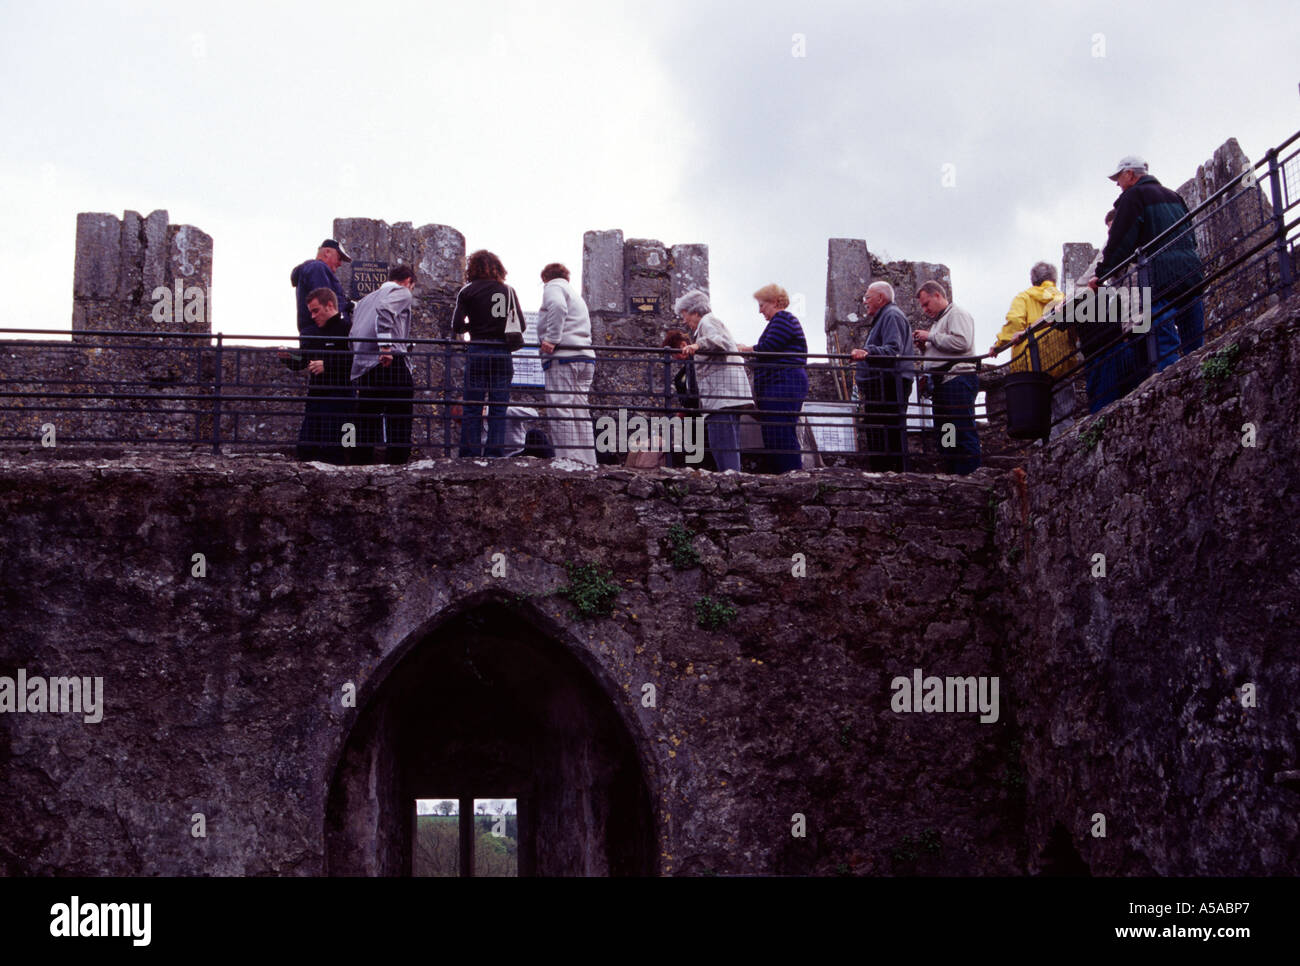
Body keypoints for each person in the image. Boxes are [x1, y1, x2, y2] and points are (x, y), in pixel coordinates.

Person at [1090, 155, 1205, 371]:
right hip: (1191, 271)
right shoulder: (1175, 197)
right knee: (1195, 338)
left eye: (1118, 178)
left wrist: (1102, 273)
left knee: (1164, 341)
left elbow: (1120, 242)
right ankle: (1201, 373)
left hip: (1159, 275)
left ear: (1130, 174)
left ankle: (1173, 382)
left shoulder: (1133, 197)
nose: (1117, 184)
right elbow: (1192, 236)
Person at [450, 250, 522, 458]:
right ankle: (494, 455)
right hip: (501, 351)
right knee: (498, 408)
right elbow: (521, 325)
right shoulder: (507, 291)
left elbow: (456, 325)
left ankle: (469, 455)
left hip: (477, 350)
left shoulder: (467, 292)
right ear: (497, 268)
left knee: (473, 407)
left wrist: (474, 326)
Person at [990, 263, 1074, 437]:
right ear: (1054, 279)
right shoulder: (1064, 298)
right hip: (1062, 362)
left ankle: (1045, 454)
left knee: (1039, 417)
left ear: (1033, 280)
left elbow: (1014, 324)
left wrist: (998, 345)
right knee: (1064, 414)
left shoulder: (1024, 298)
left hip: (1034, 366)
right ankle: (1067, 448)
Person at [675, 290, 753, 473]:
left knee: (722, 445)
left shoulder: (707, 321)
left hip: (721, 397)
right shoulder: (709, 323)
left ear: (695, 312)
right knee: (728, 445)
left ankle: (731, 485)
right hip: (726, 396)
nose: (684, 321)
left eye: (684, 315)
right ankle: (734, 482)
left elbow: (719, 341)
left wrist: (697, 345)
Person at [278, 287, 355, 464]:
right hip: (317, 399)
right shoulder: (311, 333)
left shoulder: (348, 329)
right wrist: (288, 357)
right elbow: (302, 360)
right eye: (310, 312)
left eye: (316, 311)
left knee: (341, 450)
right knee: (306, 449)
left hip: (342, 400)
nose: (312, 316)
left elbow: (358, 360)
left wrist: (328, 365)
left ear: (329, 306)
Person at [350, 264, 417, 465]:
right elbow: (385, 310)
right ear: (408, 281)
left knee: (366, 421)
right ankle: (399, 468)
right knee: (400, 418)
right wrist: (385, 347)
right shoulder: (402, 292)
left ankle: (360, 467)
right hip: (390, 364)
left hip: (365, 368)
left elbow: (352, 335)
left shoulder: (363, 301)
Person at [738, 284, 808, 473]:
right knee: (776, 431)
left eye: (762, 305)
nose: (759, 310)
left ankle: (791, 475)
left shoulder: (783, 319)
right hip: (780, 382)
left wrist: (745, 349)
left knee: (780, 431)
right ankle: (785, 474)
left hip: (784, 382)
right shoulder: (779, 322)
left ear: (775, 302)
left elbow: (769, 347)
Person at [914, 280, 980, 475]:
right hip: (943, 384)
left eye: (927, 304)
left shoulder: (957, 314)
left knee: (961, 429)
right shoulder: (938, 323)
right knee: (946, 433)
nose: (925, 309)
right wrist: (925, 348)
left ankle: (970, 476)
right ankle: (953, 473)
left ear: (937, 295)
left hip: (957, 379)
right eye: (922, 306)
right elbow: (944, 348)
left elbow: (962, 342)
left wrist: (931, 338)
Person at [850, 281, 914, 471]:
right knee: (882, 431)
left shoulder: (891, 315)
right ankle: (889, 474)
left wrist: (867, 351)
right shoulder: (886, 316)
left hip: (888, 384)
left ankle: (889, 476)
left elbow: (893, 350)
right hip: (884, 384)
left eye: (867, 297)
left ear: (881, 298)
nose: (865, 302)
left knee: (885, 432)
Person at [536, 263, 596, 464]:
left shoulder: (554, 287)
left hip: (563, 357)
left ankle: (568, 460)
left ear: (545, 278)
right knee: (580, 410)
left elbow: (558, 306)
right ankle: (587, 460)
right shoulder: (576, 295)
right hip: (585, 356)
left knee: (560, 408)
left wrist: (551, 339)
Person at [290, 239, 350, 338]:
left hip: (317, 336)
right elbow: (323, 302)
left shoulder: (314, 269)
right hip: (324, 338)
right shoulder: (318, 268)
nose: (340, 264)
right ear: (327, 252)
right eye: (339, 258)